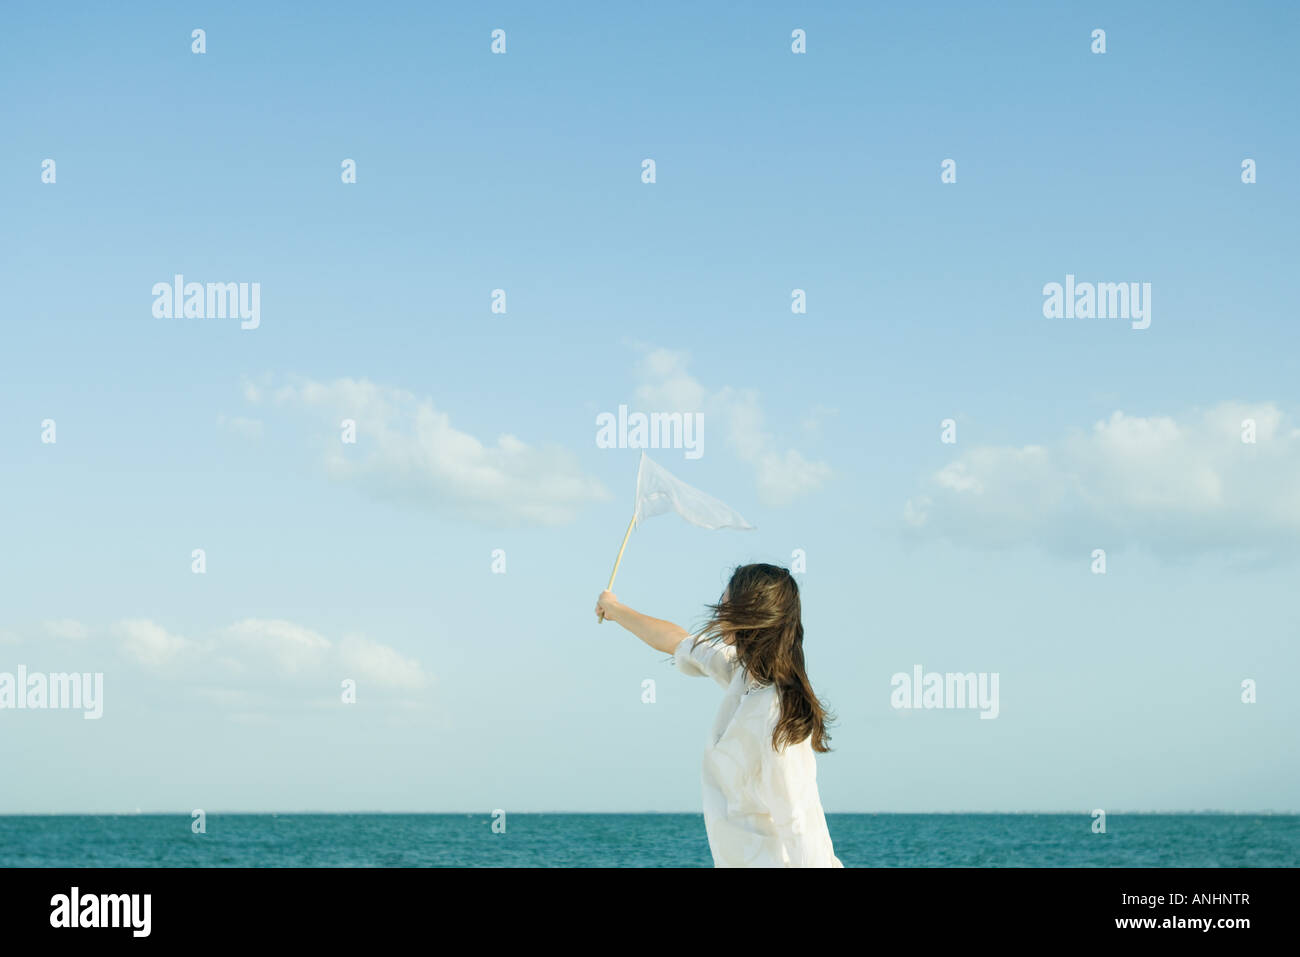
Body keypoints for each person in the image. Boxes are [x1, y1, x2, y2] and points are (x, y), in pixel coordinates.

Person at [596, 563, 842, 867]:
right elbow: (677, 641)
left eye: (725, 603)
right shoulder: (744, 675)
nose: (719, 610)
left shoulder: (777, 715)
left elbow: (801, 827)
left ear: (748, 613)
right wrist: (615, 609)